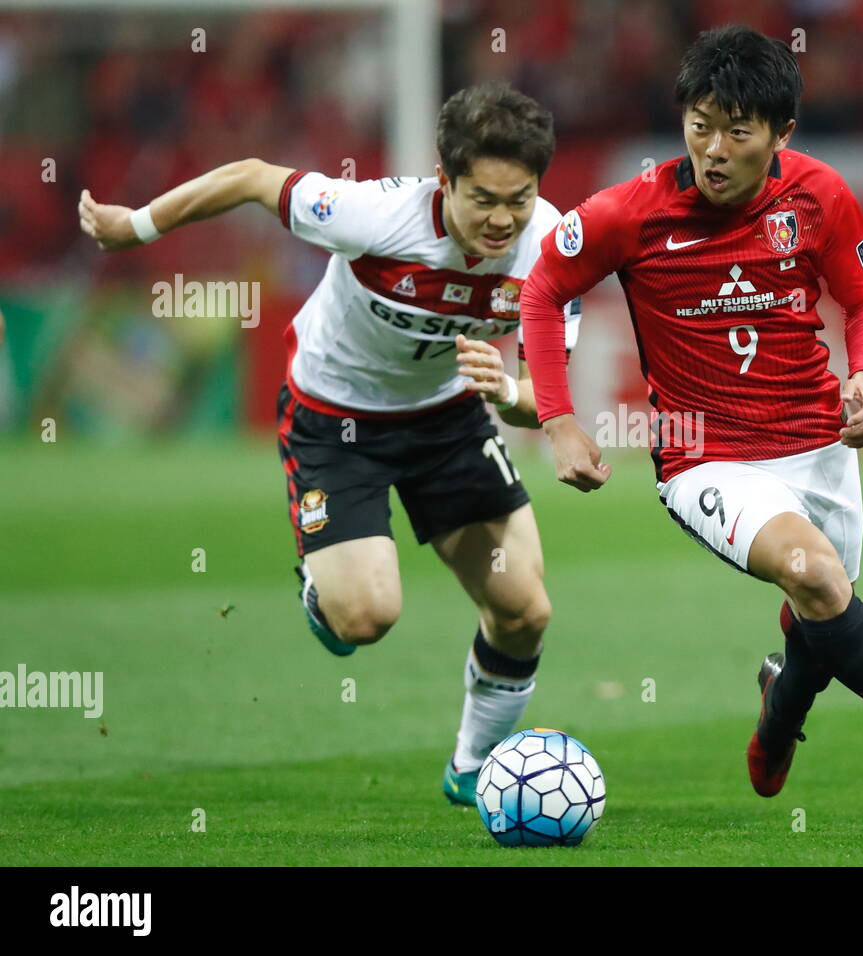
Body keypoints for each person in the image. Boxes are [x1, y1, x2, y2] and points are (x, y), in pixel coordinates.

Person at [519, 27, 863, 798]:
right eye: (699, 125)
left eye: (737, 131)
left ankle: (777, 716)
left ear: (780, 134)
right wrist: (557, 418)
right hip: (705, 457)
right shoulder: (629, 213)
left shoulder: (819, 195)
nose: (713, 149)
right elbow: (543, 289)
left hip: (819, 447)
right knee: (814, 577)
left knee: (824, 611)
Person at [78, 81, 581, 806]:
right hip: (336, 419)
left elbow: (548, 402)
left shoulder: (552, 252)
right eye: (484, 199)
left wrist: (506, 393)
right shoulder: (374, 213)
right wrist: (138, 228)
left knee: (524, 609)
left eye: (520, 199)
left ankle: (473, 766)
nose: (503, 220)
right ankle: (324, 589)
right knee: (365, 618)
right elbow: (251, 177)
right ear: (445, 181)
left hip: (449, 420)